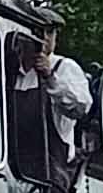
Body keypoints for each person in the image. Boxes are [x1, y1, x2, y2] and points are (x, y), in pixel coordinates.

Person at [13, 27, 95, 179]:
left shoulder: (65, 67)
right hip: (17, 168)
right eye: (38, 31)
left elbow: (80, 109)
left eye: (50, 32)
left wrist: (50, 78)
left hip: (52, 173)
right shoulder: (13, 72)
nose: (44, 37)